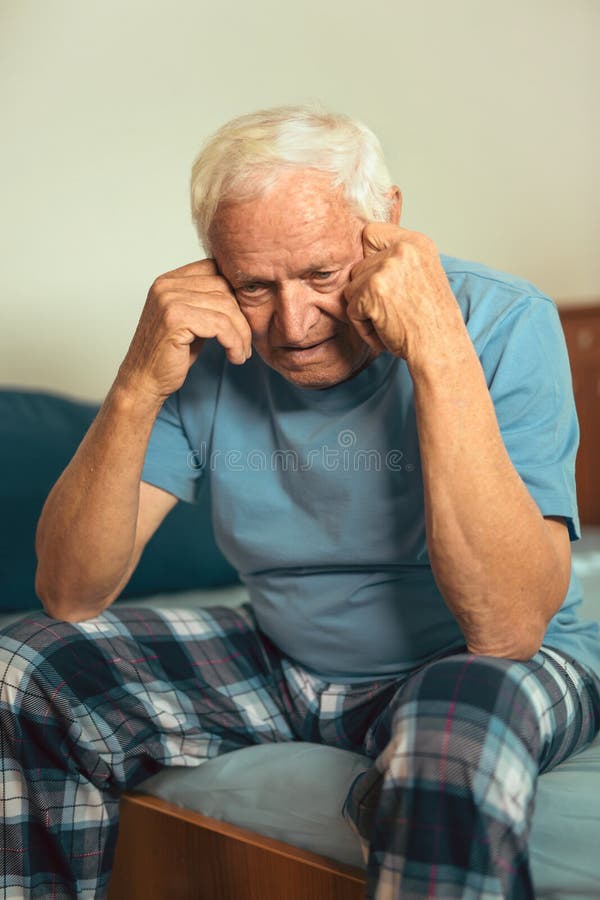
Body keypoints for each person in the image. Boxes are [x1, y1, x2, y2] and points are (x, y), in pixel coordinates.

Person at [1, 105, 599, 900]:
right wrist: (140, 379)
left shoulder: (503, 318)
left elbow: (509, 626)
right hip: (286, 660)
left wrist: (438, 346)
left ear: (386, 223)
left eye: (323, 275)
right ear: (216, 266)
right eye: (254, 284)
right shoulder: (203, 346)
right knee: (25, 663)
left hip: (480, 658)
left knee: (458, 721)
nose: (293, 324)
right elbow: (71, 590)